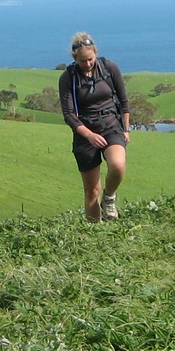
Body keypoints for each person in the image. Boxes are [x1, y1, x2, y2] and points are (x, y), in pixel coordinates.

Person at [58, 32, 130, 222]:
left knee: (118, 165)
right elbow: (69, 116)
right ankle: (95, 233)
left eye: (90, 59)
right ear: (75, 59)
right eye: (82, 61)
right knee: (91, 191)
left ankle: (109, 198)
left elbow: (123, 100)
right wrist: (89, 135)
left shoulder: (109, 67)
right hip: (84, 133)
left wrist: (126, 129)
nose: (88, 64)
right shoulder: (68, 78)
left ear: (95, 53)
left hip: (111, 125)